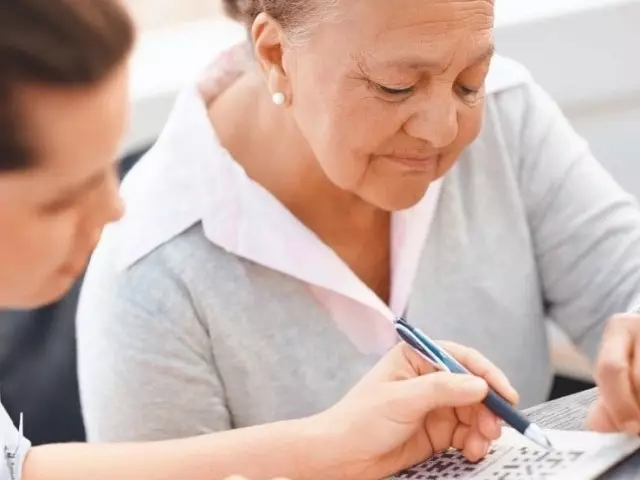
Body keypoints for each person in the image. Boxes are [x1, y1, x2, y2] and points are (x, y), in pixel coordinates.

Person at [77, 0, 640, 444]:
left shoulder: (510, 116)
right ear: (276, 55)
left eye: (471, 81)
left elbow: (626, 281)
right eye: (397, 87)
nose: (443, 128)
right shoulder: (149, 272)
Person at [0, 0, 519, 479]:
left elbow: (26, 470)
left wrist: (330, 445)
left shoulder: (509, 120)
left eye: (470, 83)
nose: (116, 210)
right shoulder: (150, 259)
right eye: (64, 198)